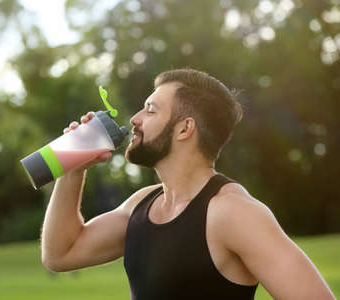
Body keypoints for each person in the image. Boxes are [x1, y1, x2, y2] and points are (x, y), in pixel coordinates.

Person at [41, 68, 335, 299]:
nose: (134, 119)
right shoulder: (143, 204)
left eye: (151, 109)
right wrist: (73, 170)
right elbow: (60, 254)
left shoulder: (234, 213)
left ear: (185, 128)